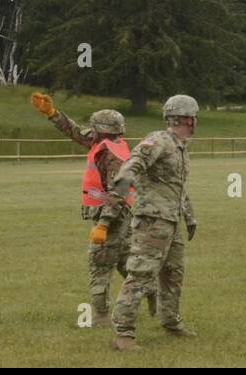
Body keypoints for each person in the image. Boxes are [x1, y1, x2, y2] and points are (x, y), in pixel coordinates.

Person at [30, 93, 138, 325]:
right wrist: (52, 114)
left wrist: (103, 224)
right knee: (127, 262)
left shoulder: (111, 155)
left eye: (94, 127)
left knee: (99, 263)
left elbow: (116, 194)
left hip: (112, 217)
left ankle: (100, 316)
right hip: (121, 216)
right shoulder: (108, 143)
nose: (91, 130)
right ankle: (152, 299)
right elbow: (76, 132)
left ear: (101, 129)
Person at [107, 94, 199, 351]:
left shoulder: (180, 147)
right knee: (141, 274)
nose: (195, 123)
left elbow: (177, 187)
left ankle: (170, 321)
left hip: (171, 221)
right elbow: (134, 162)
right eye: (193, 118)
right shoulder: (158, 141)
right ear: (186, 119)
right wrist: (123, 184)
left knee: (173, 273)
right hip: (152, 221)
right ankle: (123, 334)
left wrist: (189, 216)